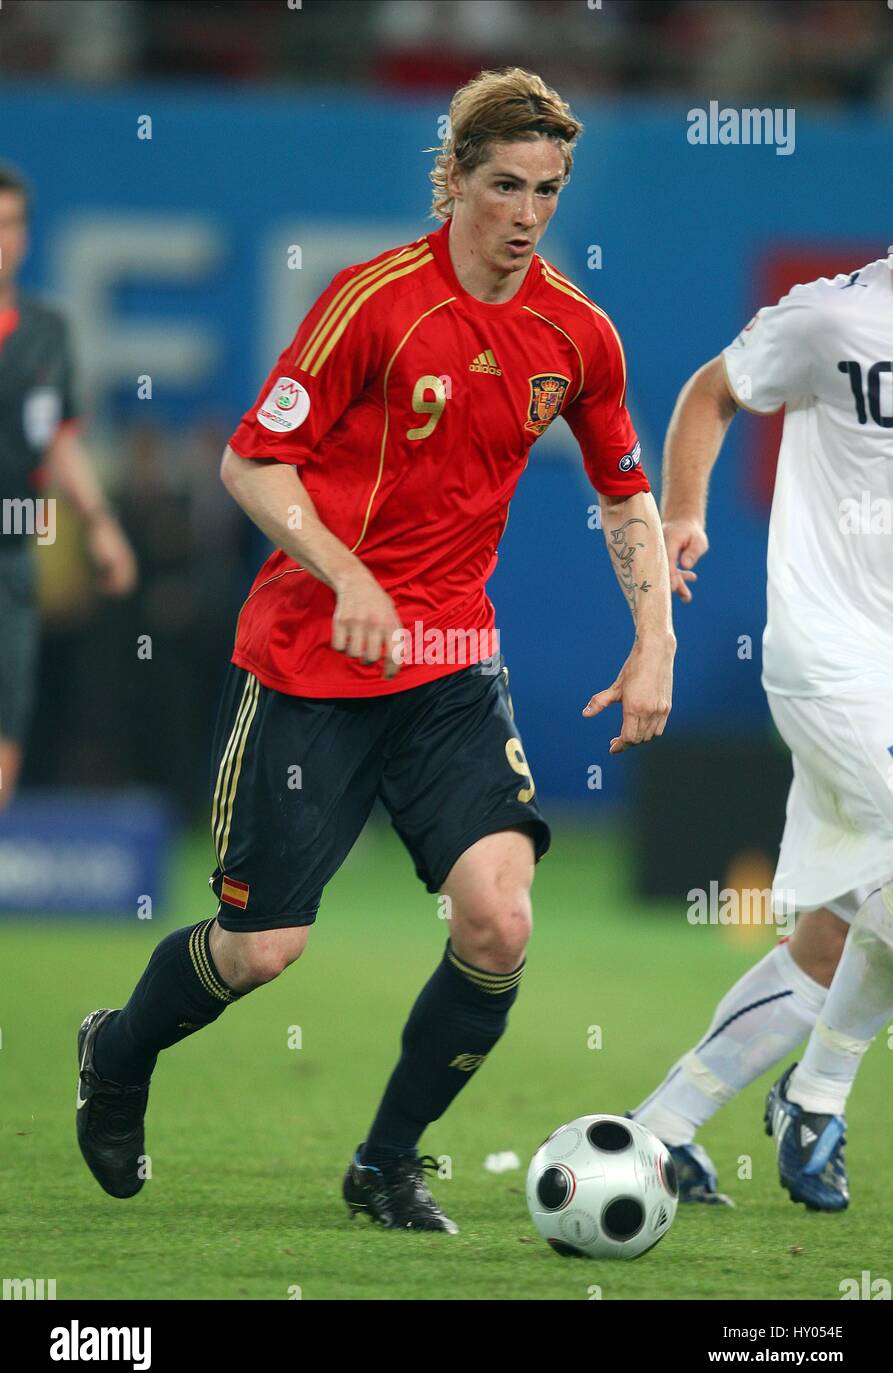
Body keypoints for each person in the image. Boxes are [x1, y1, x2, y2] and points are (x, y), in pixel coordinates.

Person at [77, 67, 675, 1232]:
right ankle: (120, 1049)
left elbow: (624, 491)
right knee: (262, 949)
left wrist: (654, 636)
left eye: (546, 190)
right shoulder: (371, 303)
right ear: (450, 180)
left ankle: (383, 1163)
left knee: (499, 918)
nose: (525, 213)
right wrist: (346, 574)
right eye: (502, 185)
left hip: (451, 663)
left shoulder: (575, 333)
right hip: (309, 661)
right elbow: (252, 461)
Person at [630, 252, 893, 1211]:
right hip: (830, 656)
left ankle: (663, 1128)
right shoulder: (835, 317)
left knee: (837, 930)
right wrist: (683, 512)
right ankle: (816, 1100)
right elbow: (712, 390)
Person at [0, 164, 137, 809]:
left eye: (12, 224)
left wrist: (100, 522)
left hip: (12, 549)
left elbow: (59, 439)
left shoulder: (46, 329)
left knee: (7, 721)